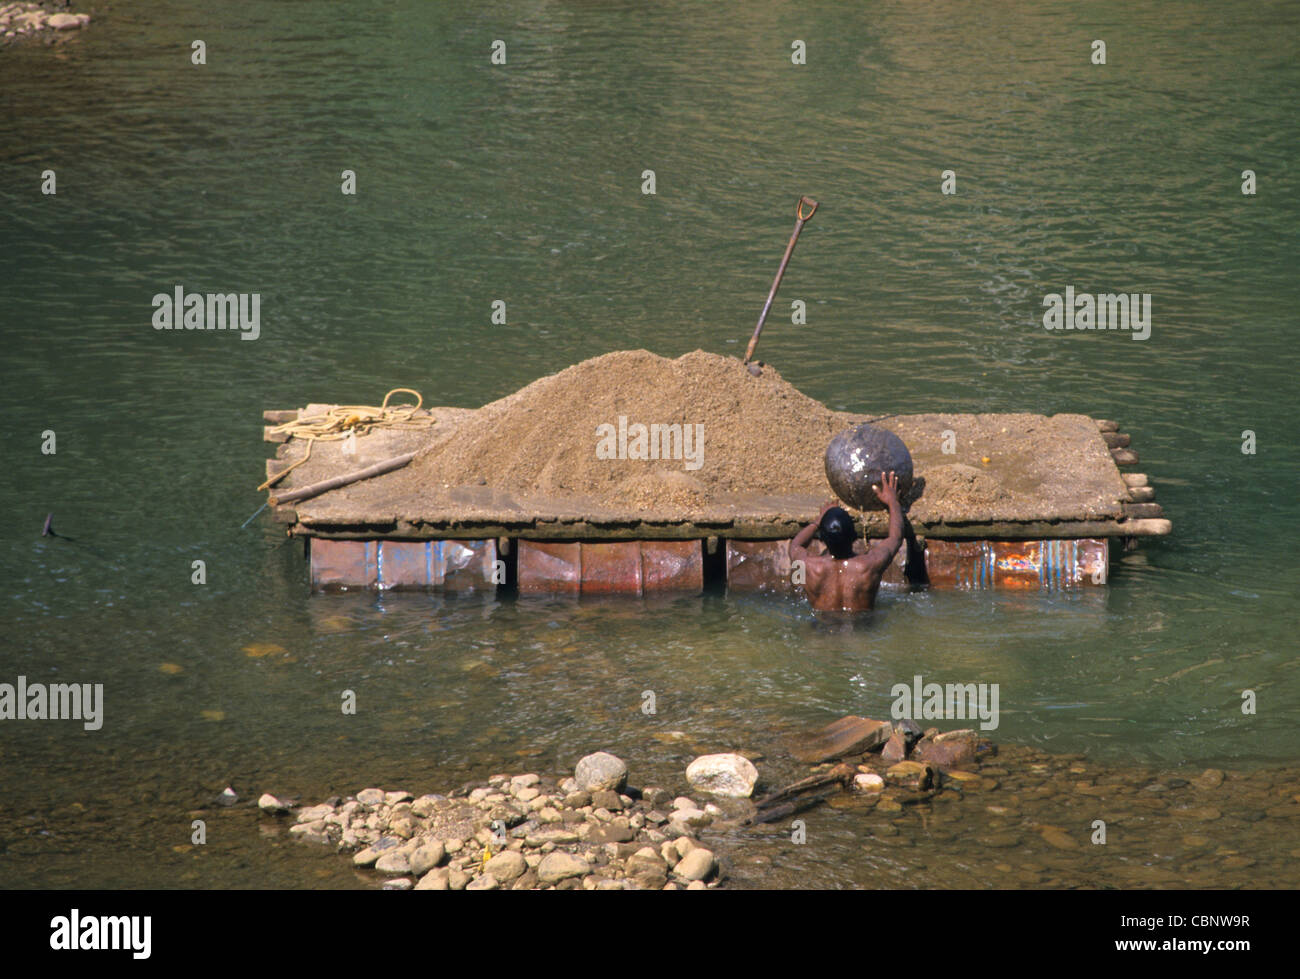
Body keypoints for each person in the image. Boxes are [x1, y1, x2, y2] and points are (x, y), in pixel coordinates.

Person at [788, 471, 920, 612]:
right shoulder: (869, 565)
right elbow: (895, 537)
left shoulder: (809, 567)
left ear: (822, 539)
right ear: (854, 537)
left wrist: (818, 521)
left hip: (822, 630)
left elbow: (796, 545)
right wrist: (893, 502)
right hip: (862, 629)